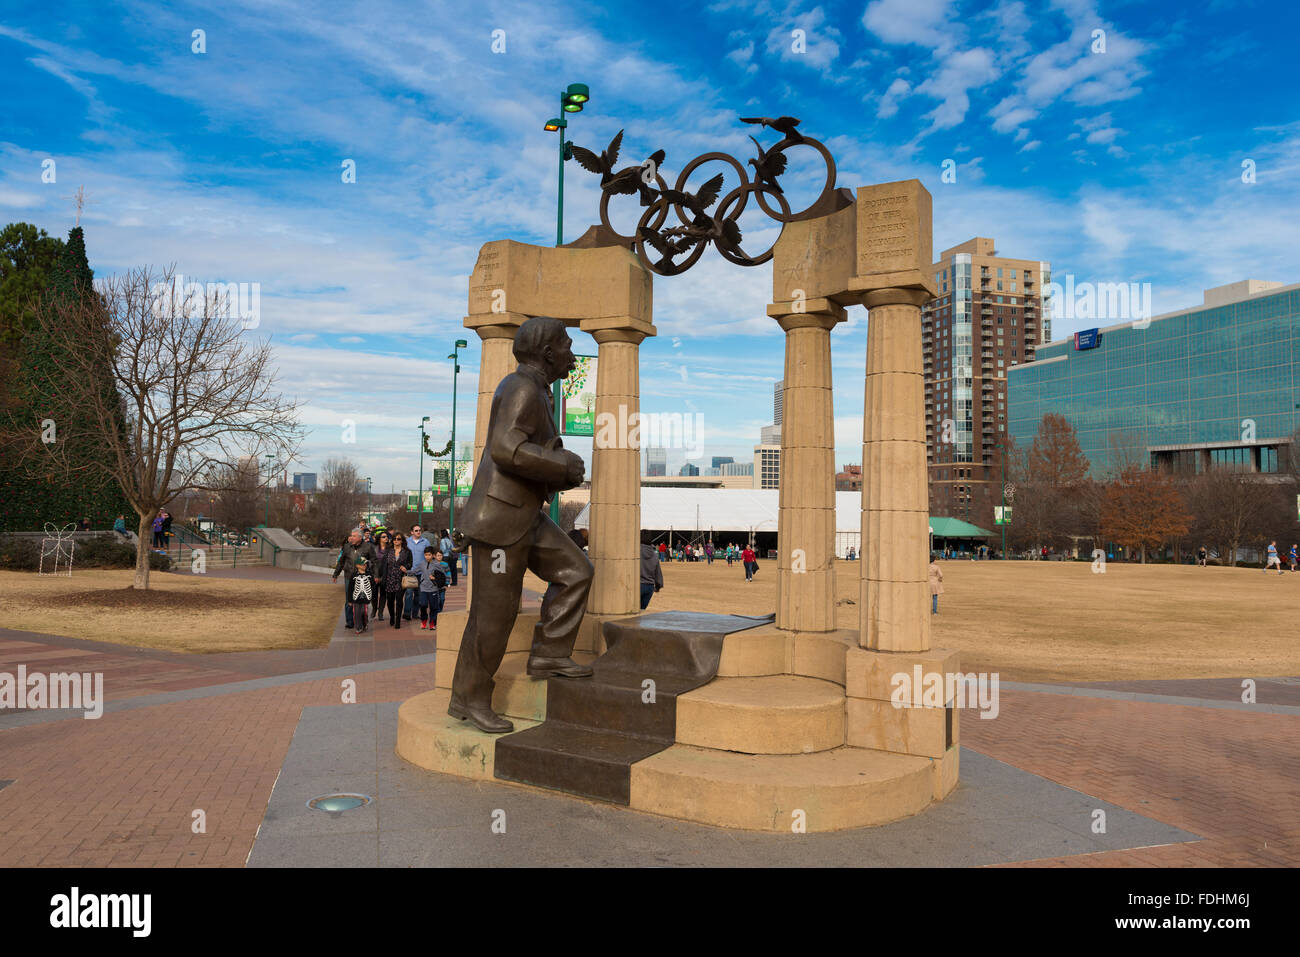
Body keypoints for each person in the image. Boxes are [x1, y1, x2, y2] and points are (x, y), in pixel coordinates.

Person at [449, 315, 594, 734]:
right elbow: (505, 448)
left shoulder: (536, 390)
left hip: (525, 515)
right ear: (548, 353)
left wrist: (557, 467)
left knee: (576, 570)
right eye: (567, 345)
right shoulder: (520, 388)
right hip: (499, 521)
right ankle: (469, 698)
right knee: (493, 616)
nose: (572, 353)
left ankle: (549, 653)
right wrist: (561, 464)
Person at [332, 528, 379, 630]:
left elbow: (374, 561)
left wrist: (376, 575)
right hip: (349, 576)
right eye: (351, 536)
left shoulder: (368, 547)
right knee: (349, 598)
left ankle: (362, 621)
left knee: (361, 599)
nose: (351, 538)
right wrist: (335, 574)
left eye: (354, 536)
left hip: (362, 577)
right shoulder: (347, 547)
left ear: (360, 537)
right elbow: (341, 562)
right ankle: (350, 622)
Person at [381, 532, 413, 627]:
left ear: (402, 540)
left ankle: (398, 621)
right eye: (394, 539)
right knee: (390, 600)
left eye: (398, 539)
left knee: (399, 600)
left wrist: (406, 567)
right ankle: (392, 616)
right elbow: (384, 564)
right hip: (389, 578)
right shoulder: (388, 551)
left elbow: (410, 563)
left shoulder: (407, 551)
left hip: (400, 578)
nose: (396, 540)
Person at [416, 546, 449, 630]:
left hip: (434, 588)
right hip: (424, 588)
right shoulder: (422, 564)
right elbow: (415, 571)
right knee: (423, 605)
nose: (427, 556)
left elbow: (444, 576)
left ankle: (432, 623)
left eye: (429, 555)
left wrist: (445, 583)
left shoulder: (438, 565)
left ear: (433, 555)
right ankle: (424, 620)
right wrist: (406, 571)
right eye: (426, 555)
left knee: (434, 606)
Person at [405, 524, 431, 620]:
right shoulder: (407, 542)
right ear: (412, 532)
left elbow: (429, 555)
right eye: (416, 530)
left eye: (419, 530)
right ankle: (407, 613)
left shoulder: (425, 542)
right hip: (410, 572)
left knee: (418, 595)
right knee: (408, 593)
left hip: (422, 573)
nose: (418, 532)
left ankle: (415, 614)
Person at [349, 555, 373, 634]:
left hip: (366, 598)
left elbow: (373, 586)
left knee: (364, 612)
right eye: (363, 564)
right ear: (357, 565)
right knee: (356, 613)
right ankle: (358, 627)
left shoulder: (369, 574)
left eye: (366, 564)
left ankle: (365, 624)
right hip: (356, 598)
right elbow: (350, 588)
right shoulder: (353, 575)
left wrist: (373, 597)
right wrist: (349, 600)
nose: (365, 565)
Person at [371, 531, 391, 622]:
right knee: (373, 594)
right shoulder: (374, 548)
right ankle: (374, 608)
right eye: (383, 537)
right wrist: (375, 575)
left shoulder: (390, 549)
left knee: (383, 594)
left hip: (385, 574)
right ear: (379, 538)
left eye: (386, 536)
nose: (386, 538)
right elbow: (371, 562)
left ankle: (380, 612)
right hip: (374, 574)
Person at [640, 542, 664, 609]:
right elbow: (657, 571)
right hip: (649, 586)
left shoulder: (636, 552)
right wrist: (658, 585)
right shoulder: (655, 555)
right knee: (642, 610)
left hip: (638, 584)